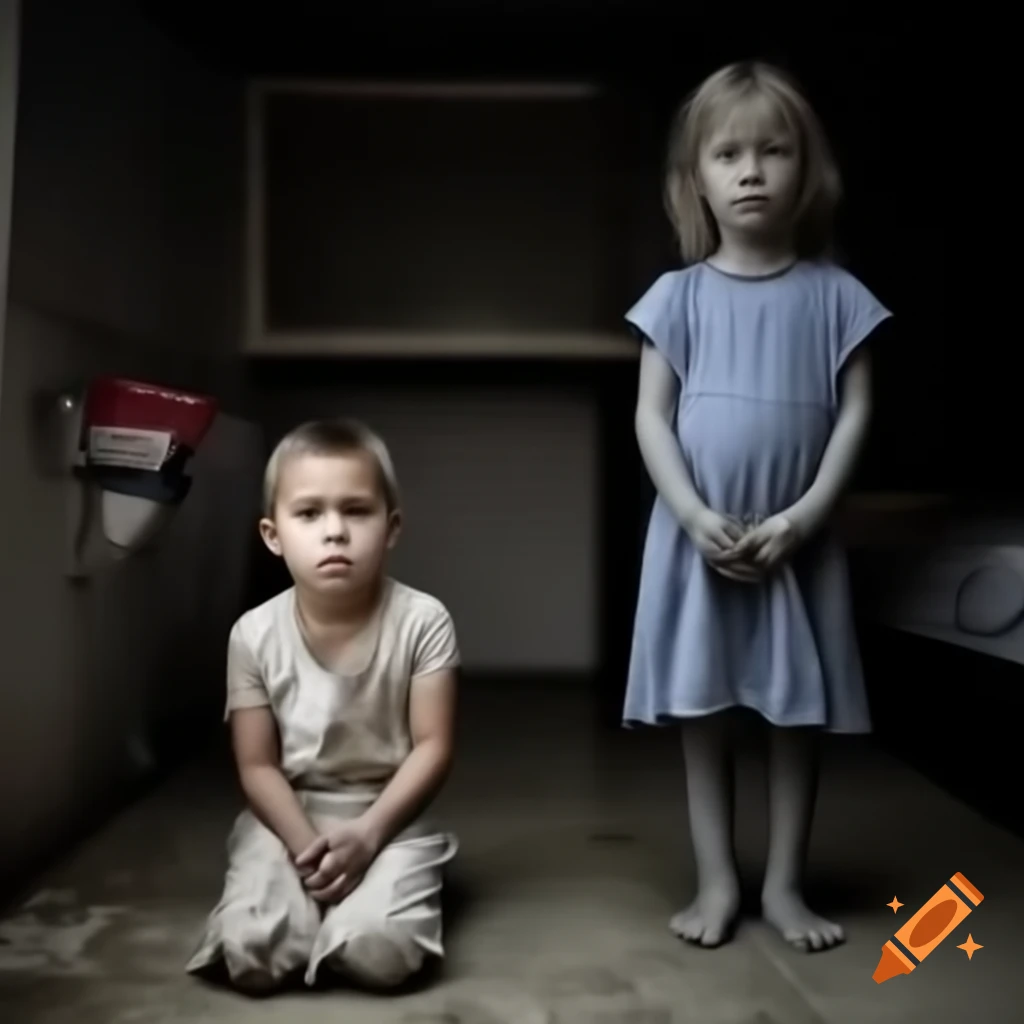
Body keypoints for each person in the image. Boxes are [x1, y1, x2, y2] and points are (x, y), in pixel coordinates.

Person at [626, 60, 892, 953]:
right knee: (704, 718)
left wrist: (804, 518)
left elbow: (856, 414)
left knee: (793, 716)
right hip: (700, 538)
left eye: (772, 152)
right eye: (728, 153)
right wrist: (696, 515)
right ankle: (717, 879)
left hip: (795, 542)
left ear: (804, 170)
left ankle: (784, 884)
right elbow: (651, 418)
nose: (750, 170)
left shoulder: (836, 297)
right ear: (693, 177)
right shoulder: (678, 296)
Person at [186, 418, 460, 993]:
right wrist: (306, 849)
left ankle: (371, 899)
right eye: (309, 513)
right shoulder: (253, 634)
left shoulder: (423, 621)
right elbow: (257, 765)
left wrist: (367, 837)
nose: (334, 531)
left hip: (387, 813)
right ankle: (308, 903)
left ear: (391, 527)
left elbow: (434, 745)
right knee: (253, 956)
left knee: (378, 956)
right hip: (290, 815)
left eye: (355, 510)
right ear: (273, 534)